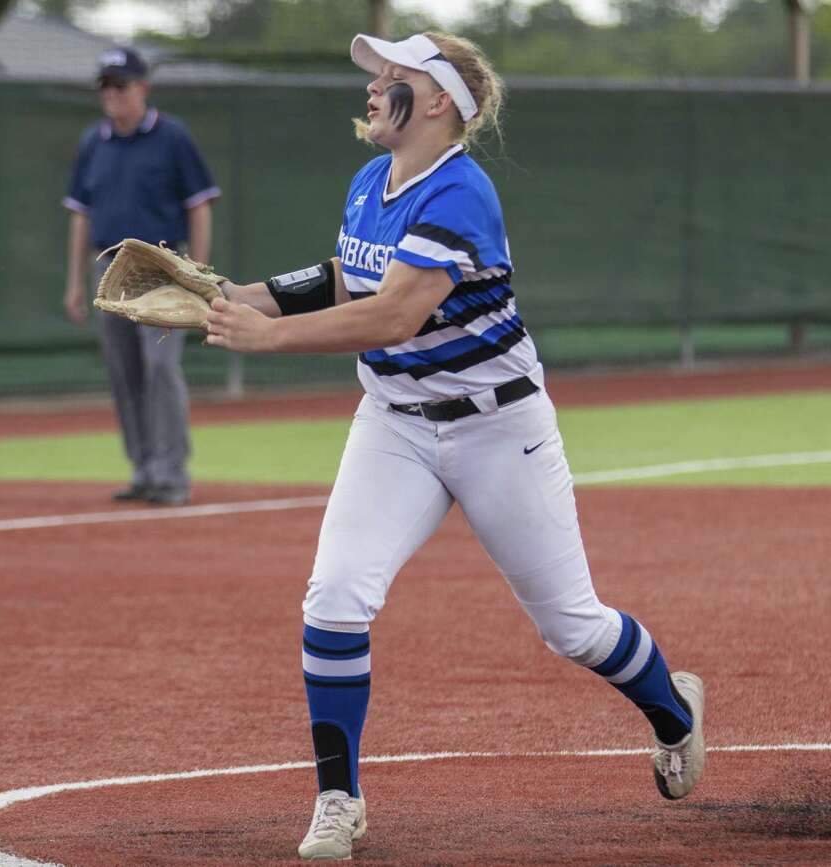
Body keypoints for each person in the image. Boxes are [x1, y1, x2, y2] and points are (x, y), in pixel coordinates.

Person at [205, 31, 706, 861]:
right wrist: (235, 295)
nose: (372, 88)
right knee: (334, 597)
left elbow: (395, 313)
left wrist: (268, 339)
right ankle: (338, 798)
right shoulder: (372, 179)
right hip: (395, 421)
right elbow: (346, 276)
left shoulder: (461, 192)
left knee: (573, 627)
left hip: (498, 427)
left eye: (392, 76)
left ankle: (675, 711)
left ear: (440, 101)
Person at [62, 46, 220, 506]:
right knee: (124, 372)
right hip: (108, 273)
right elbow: (80, 215)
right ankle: (145, 469)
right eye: (105, 86)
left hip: (161, 270)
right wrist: (74, 283)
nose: (111, 94)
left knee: (160, 369)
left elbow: (199, 205)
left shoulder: (171, 136)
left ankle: (171, 474)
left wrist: (198, 275)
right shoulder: (93, 142)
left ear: (142, 88)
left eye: (120, 85)